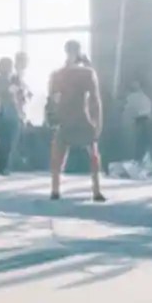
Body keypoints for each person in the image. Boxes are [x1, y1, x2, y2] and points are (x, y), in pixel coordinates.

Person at [48, 40, 106, 201]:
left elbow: (52, 100)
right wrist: (97, 123)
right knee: (93, 154)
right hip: (81, 116)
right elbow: (96, 100)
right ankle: (96, 190)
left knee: (58, 154)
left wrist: (52, 119)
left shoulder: (58, 74)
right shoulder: (87, 73)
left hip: (66, 117)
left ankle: (55, 189)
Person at [0, 57, 22, 175]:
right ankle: (1, 166)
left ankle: (3, 165)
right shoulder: (0, 81)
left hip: (9, 113)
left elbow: (17, 93)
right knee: (5, 141)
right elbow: (2, 93)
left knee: (8, 141)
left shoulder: (11, 80)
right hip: (3, 114)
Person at [124, 79, 152, 165]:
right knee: (138, 143)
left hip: (142, 120)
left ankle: (139, 160)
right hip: (138, 121)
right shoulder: (132, 97)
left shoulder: (141, 97)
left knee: (140, 142)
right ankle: (138, 160)